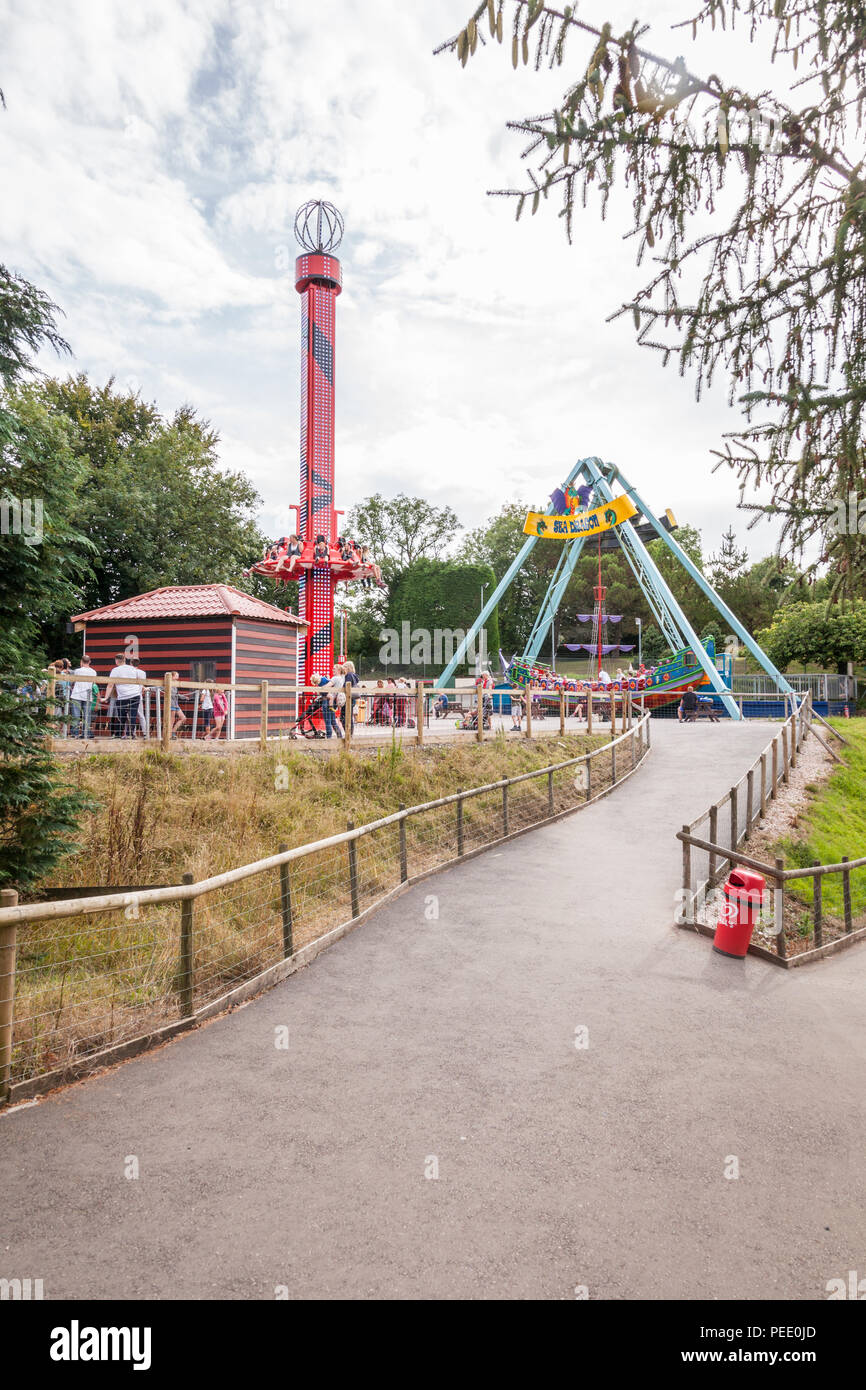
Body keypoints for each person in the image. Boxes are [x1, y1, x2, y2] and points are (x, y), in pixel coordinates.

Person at [103, 653, 145, 738]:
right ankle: (132, 734)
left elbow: (110, 684)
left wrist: (106, 697)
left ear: (116, 661)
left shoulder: (115, 670)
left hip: (123, 696)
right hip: (135, 694)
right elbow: (140, 681)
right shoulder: (133, 669)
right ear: (125, 660)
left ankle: (119, 734)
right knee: (133, 715)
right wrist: (141, 689)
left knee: (122, 716)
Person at [69, 655, 97, 738]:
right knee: (87, 716)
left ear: (81, 661)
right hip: (87, 695)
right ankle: (86, 733)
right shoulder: (93, 672)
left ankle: (75, 733)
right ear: (90, 661)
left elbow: (72, 681)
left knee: (76, 715)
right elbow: (93, 682)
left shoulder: (77, 671)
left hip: (77, 694)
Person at [169, 673, 187, 737]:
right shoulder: (168, 682)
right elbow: (160, 687)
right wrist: (149, 689)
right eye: (176, 675)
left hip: (176, 704)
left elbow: (177, 694)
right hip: (171, 704)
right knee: (172, 720)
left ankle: (173, 731)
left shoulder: (175, 684)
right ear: (172, 676)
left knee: (183, 718)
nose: (178, 677)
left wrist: (184, 697)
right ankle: (170, 735)